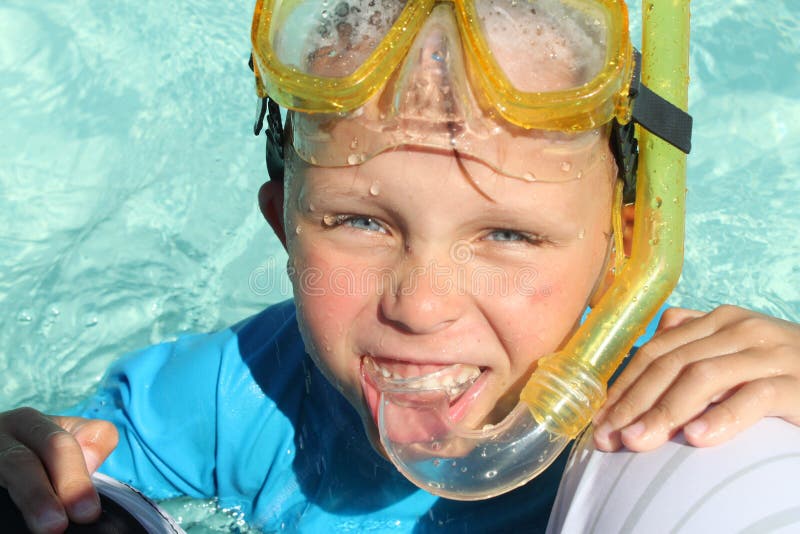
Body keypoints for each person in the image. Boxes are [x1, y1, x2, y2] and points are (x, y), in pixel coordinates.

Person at [1, 1, 799, 532]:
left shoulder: (676, 405)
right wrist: (31, 466)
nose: (421, 306)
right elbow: (74, 467)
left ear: (624, 251)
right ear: (283, 225)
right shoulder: (232, 399)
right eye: (359, 221)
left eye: (510, 237)